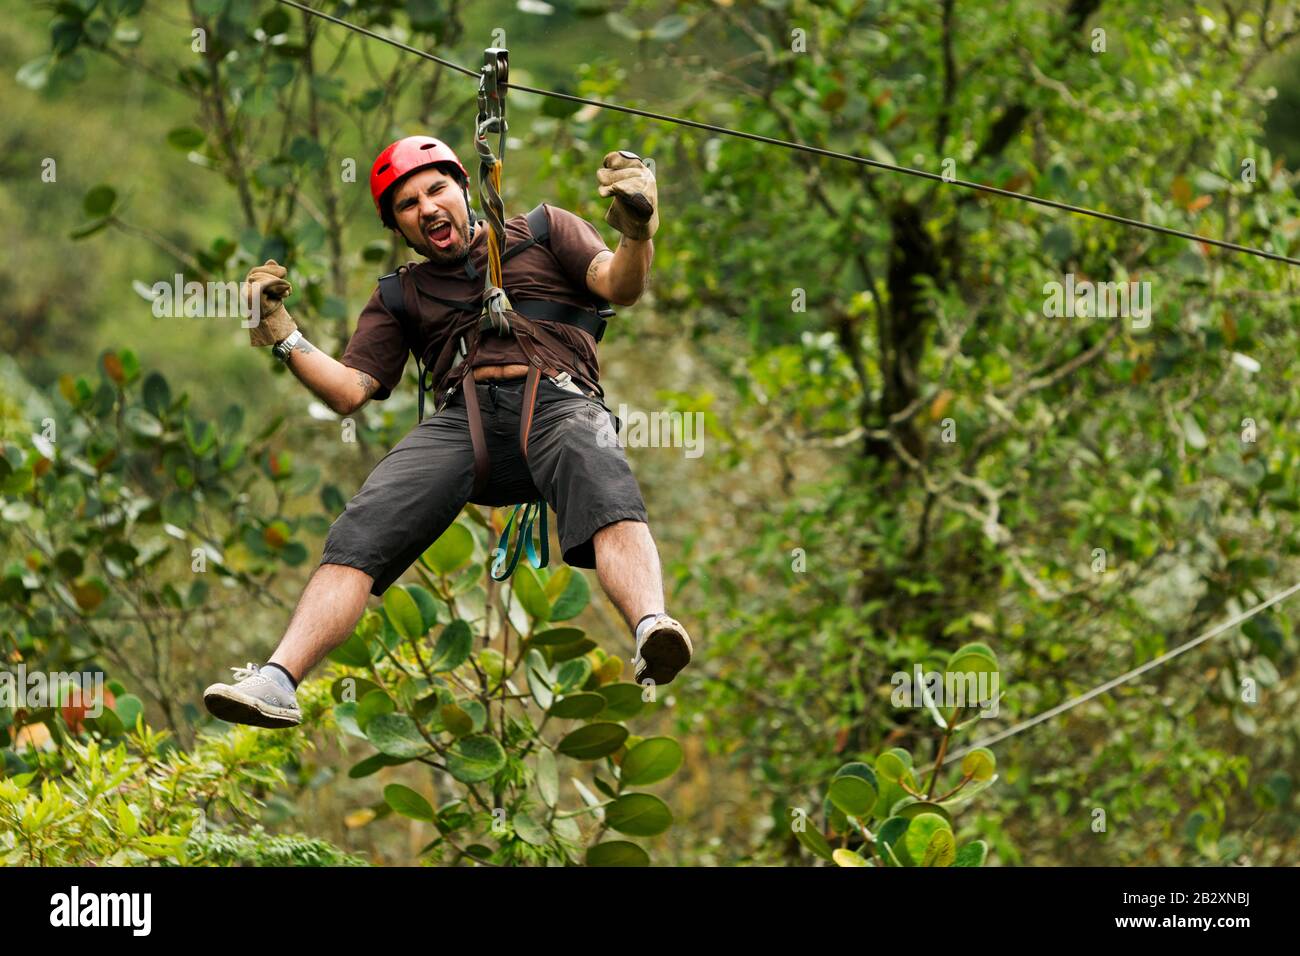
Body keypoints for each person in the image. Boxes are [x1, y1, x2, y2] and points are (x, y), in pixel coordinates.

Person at [202, 136, 692, 728]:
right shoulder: (399, 294)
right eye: (408, 204)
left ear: (465, 188)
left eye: (436, 189)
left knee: (600, 471)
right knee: (363, 524)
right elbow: (348, 392)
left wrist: (636, 231)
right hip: (466, 425)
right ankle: (278, 679)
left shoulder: (545, 230)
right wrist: (283, 334)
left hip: (558, 401)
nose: (428, 208)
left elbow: (620, 285)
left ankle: (650, 628)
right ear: (400, 228)